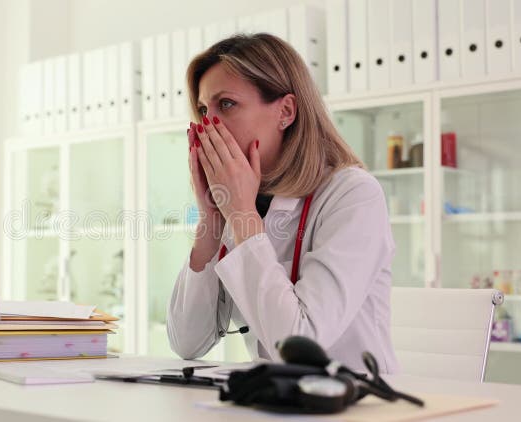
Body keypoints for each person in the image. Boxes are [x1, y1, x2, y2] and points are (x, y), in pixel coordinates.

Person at [166, 33, 398, 373]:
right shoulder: (242, 202)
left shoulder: (353, 196)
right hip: (274, 398)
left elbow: (299, 344)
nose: (206, 125)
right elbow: (187, 343)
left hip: (350, 402)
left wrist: (242, 216)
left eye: (226, 104)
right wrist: (211, 220)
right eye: (203, 109)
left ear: (286, 111)